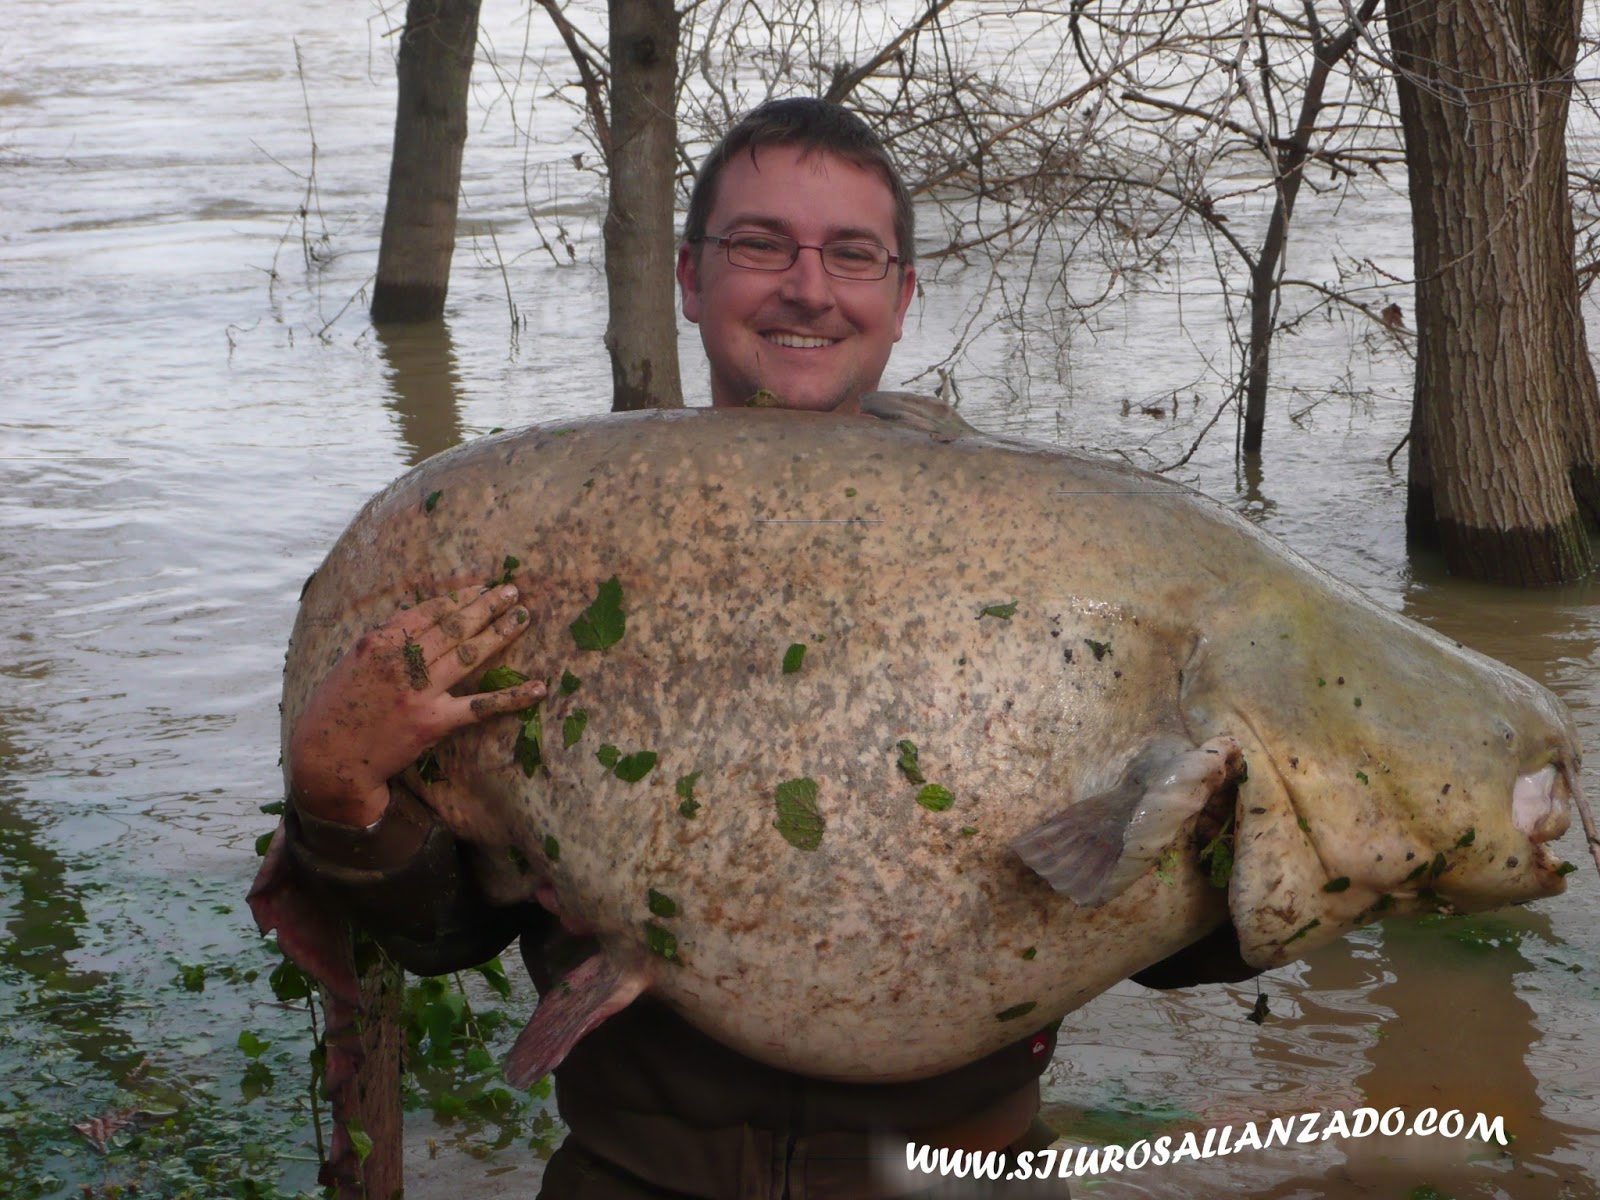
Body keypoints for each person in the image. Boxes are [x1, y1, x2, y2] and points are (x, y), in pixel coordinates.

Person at [278, 98, 1253, 1199]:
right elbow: (445, 931)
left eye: (852, 254)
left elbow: (1167, 941)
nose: (808, 286)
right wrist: (339, 794)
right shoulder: (556, 544)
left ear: (901, 297)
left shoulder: (1046, 562)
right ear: (690, 278)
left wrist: (1258, 844)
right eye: (760, 245)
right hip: (630, 1177)